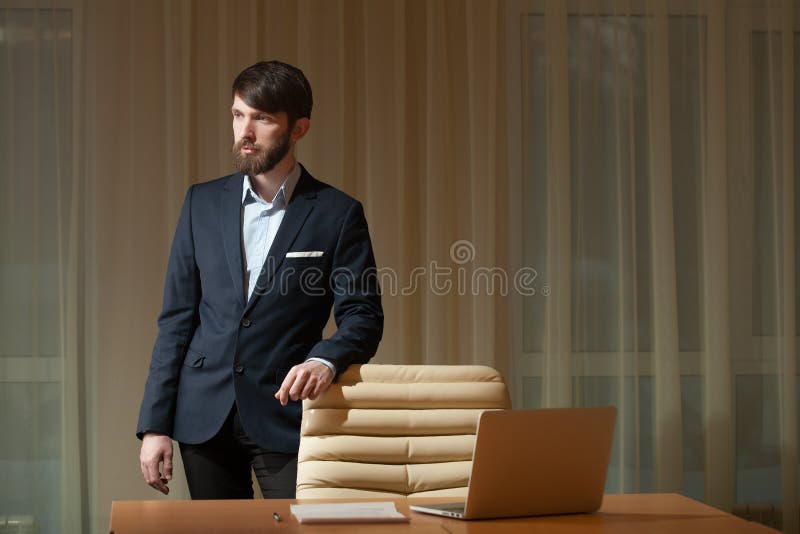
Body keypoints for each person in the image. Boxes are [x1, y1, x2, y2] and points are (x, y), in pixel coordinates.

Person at [136, 60, 383, 499]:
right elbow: (176, 320)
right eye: (238, 115)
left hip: (284, 410)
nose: (244, 131)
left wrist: (323, 361)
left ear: (299, 128)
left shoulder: (337, 213)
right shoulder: (201, 203)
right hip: (202, 416)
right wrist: (155, 425)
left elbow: (362, 314)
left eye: (262, 118)